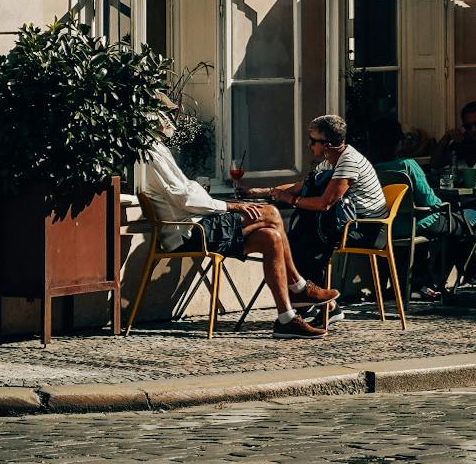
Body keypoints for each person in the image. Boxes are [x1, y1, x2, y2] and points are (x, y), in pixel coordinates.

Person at [135, 116, 335, 336]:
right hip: (188, 233)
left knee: (271, 238)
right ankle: (298, 287)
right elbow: (184, 199)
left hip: (195, 225)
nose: (171, 123)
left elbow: (185, 194)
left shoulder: (157, 148)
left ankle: (286, 318)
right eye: (168, 117)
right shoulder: (150, 152)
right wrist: (231, 206)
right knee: (271, 212)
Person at [264, 115, 389, 307]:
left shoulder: (348, 161)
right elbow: (302, 185)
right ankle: (314, 303)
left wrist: (291, 200)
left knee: (308, 243)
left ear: (328, 144)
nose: (309, 145)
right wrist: (268, 192)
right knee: (296, 238)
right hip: (347, 222)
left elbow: (325, 204)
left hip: (368, 229)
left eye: (313, 141)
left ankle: (318, 305)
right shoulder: (331, 160)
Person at [362, 110, 444, 227]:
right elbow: (429, 201)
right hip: (414, 225)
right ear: (398, 141)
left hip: (382, 227)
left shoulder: (365, 168)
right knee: (467, 219)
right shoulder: (407, 165)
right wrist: (444, 204)